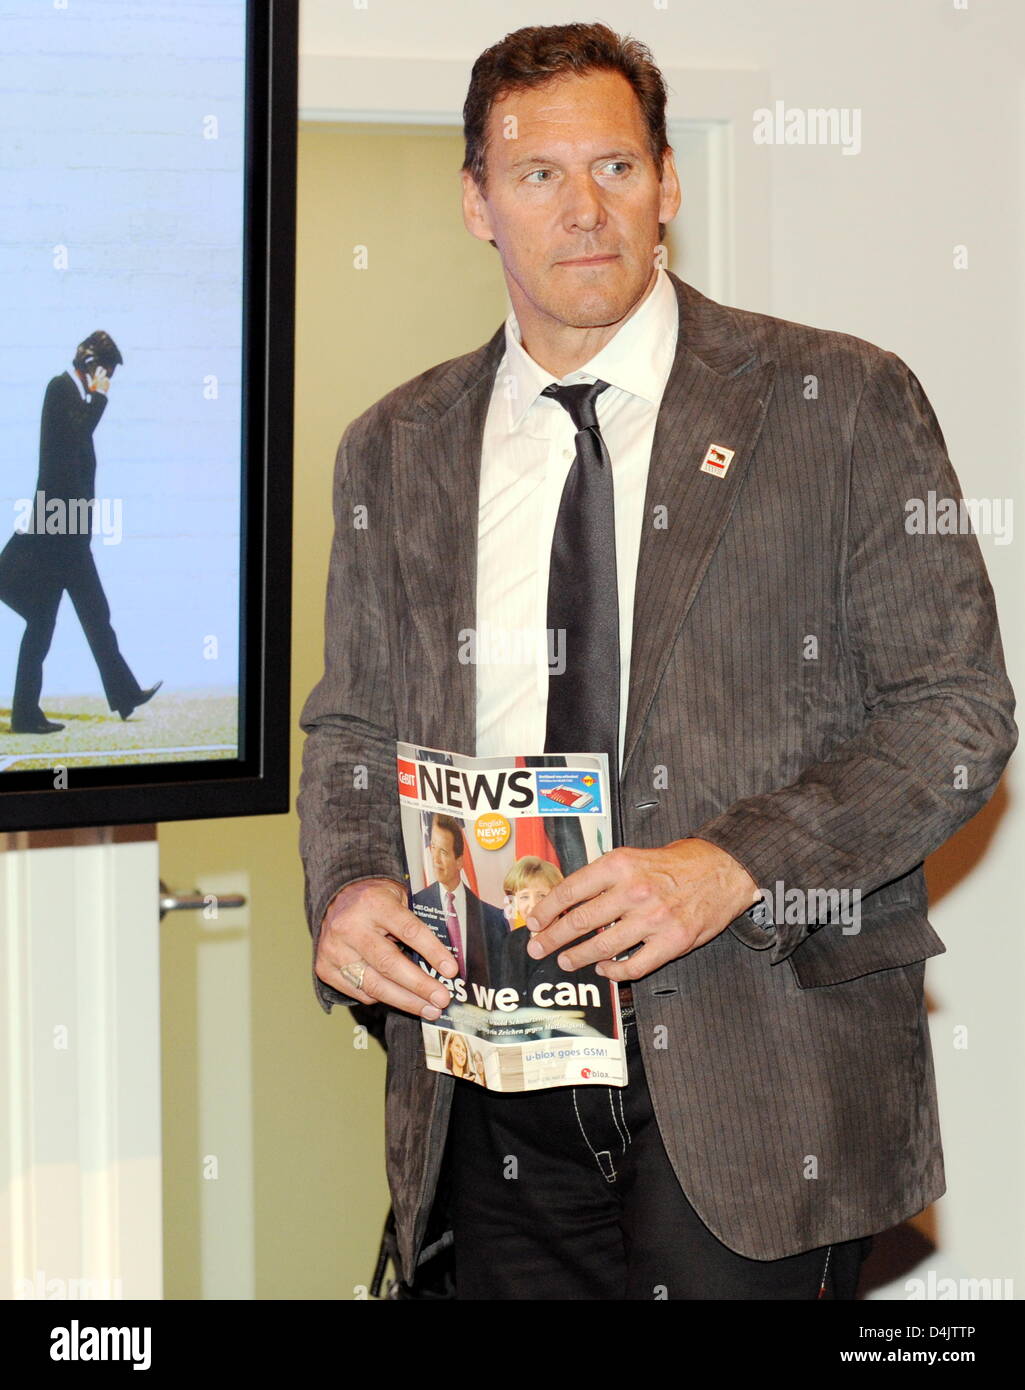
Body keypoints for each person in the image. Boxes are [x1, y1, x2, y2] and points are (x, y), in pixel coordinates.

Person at [297, 22, 1017, 1300]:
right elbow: (350, 728)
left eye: (616, 169)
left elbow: (955, 716)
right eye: (538, 177)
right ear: (476, 202)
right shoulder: (393, 448)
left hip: (753, 1075)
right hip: (485, 1097)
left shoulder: (837, 401)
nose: (584, 211)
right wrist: (351, 886)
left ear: (668, 182)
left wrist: (727, 866)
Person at [0, 331, 161, 733]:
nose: (107, 381)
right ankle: (36, 711)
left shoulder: (74, 396)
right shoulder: (61, 389)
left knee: (75, 617)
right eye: (106, 373)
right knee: (72, 617)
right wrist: (101, 397)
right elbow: (76, 435)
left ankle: (116, 696)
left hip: (66, 531)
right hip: (58, 532)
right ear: (92, 366)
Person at [410, 813, 508, 988]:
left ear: (459, 861)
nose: (435, 859)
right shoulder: (414, 905)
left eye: (444, 852)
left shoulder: (494, 918)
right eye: (433, 847)